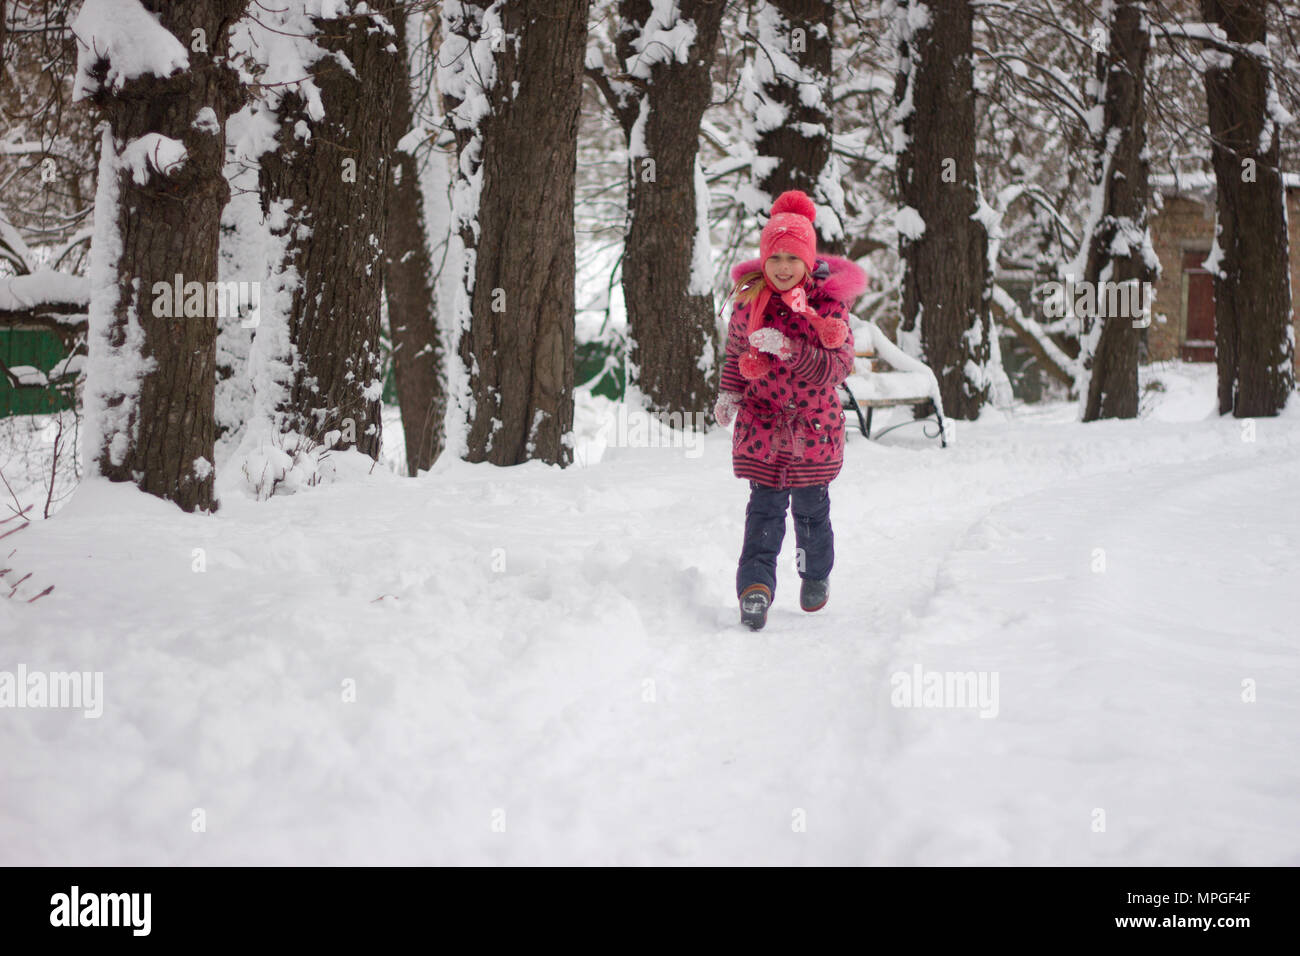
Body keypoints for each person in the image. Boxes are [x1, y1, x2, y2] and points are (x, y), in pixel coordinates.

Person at [714, 190, 868, 630]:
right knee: (763, 509)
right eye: (775, 256)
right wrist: (730, 395)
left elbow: (837, 369)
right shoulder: (749, 302)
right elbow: (735, 356)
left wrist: (788, 349)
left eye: (792, 258)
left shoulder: (827, 308)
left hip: (813, 429)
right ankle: (755, 589)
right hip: (763, 425)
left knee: (810, 511)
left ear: (808, 260)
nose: (782, 267)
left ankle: (815, 573)